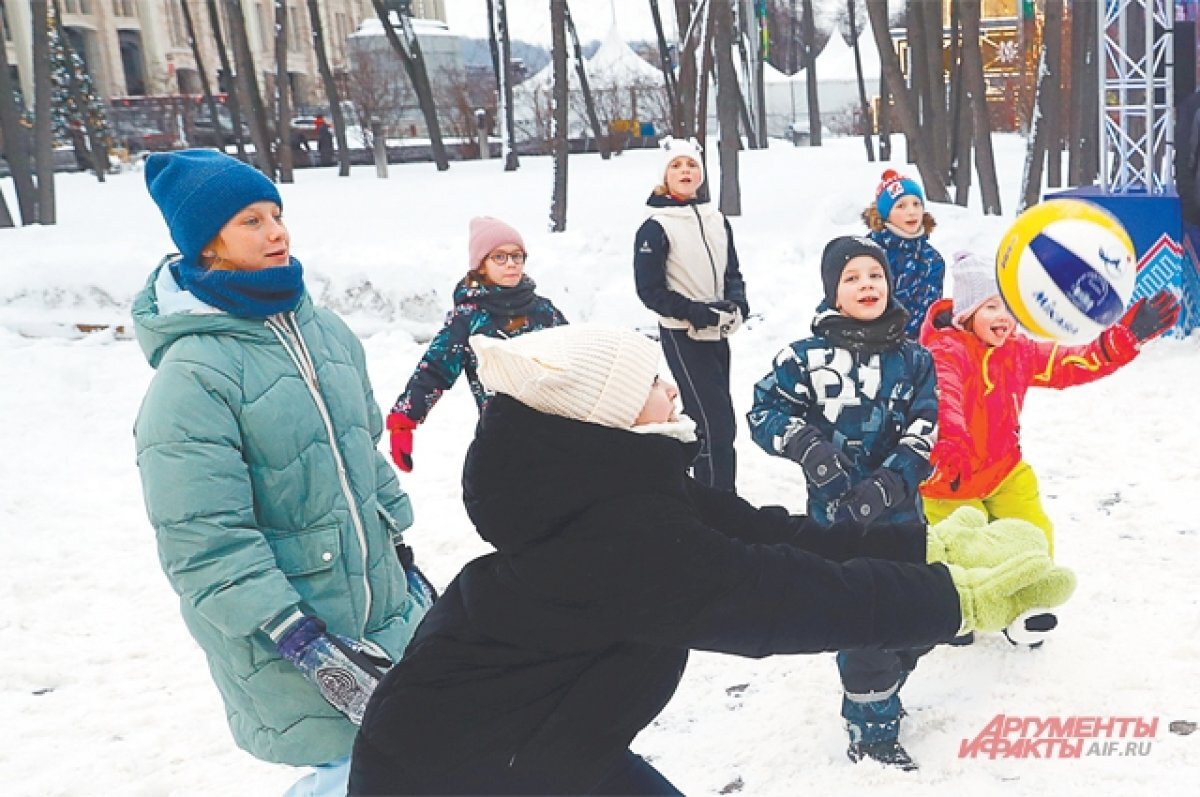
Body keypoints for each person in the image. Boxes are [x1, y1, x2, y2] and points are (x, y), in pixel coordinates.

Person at [347, 324, 1075, 795]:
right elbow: (778, 596)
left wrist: (925, 546)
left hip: (559, 746)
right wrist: (954, 602)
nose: (672, 387)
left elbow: (768, 535)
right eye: (653, 383)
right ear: (614, 413)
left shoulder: (623, 484)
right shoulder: (616, 541)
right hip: (451, 772)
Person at [132, 150, 432, 797]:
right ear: (206, 244)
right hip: (286, 634)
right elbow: (204, 544)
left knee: (416, 761)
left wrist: (403, 556)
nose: (277, 232)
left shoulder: (327, 334)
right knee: (354, 775)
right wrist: (297, 637)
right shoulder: (191, 382)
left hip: (383, 608)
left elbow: (364, 451)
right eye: (251, 220)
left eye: (277, 213)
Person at [746, 235, 938, 769]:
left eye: (874, 275)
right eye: (852, 278)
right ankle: (873, 734)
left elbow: (926, 427)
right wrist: (807, 446)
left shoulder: (914, 358)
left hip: (902, 516)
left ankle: (890, 677)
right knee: (864, 627)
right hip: (839, 523)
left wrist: (892, 482)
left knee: (912, 625)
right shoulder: (803, 359)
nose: (866, 285)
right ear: (833, 291)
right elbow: (763, 412)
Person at [918, 251, 1179, 642]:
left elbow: (1074, 362)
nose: (1003, 317)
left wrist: (1126, 337)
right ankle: (959, 607)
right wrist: (950, 440)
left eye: (1009, 307)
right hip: (950, 476)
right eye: (991, 306)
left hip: (1003, 469)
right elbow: (945, 396)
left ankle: (1027, 606)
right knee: (963, 549)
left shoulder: (1018, 352)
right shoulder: (946, 352)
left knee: (1032, 531)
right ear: (966, 312)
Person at [385, 216, 567, 473]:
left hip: (558, 432)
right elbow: (435, 370)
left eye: (517, 256)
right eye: (500, 257)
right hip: (504, 437)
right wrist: (404, 420)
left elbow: (576, 358)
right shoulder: (469, 317)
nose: (512, 264)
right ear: (481, 264)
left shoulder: (543, 310)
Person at [633, 136, 749, 492]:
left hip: (718, 332)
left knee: (722, 423)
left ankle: (720, 499)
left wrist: (737, 304)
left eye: (692, 164)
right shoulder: (656, 226)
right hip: (682, 333)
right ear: (664, 176)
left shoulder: (716, 220)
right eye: (676, 165)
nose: (685, 171)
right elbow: (649, 290)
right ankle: (713, 504)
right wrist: (695, 313)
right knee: (710, 423)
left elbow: (733, 274)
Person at [862, 169, 946, 339]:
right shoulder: (868, 253)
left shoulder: (933, 260)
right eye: (901, 206)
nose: (912, 212)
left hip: (918, 347)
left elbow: (931, 313)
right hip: (873, 342)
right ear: (885, 214)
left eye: (916, 204)